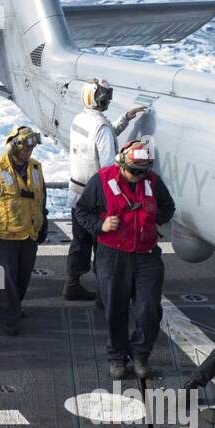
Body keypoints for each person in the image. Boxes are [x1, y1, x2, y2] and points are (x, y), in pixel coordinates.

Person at [71, 138, 175, 380]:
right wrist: (101, 225)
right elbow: (81, 210)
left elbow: (169, 207)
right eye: (133, 171)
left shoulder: (153, 182)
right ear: (122, 163)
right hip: (113, 255)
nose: (136, 176)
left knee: (149, 308)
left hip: (146, 256)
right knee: (115, 309)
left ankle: (140, 353)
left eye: (141, 172)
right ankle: (117, 357)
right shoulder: (102, 180)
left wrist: (153, 217)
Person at [65, 79, 145, 300]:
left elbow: (102, 135)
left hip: (76, 191)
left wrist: (125, 119)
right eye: (105, 96)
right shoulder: (102, 128)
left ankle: (72, 284)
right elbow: (111, 167)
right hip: (96, 199)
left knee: (79, 241)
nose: (107, 99)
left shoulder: (79, 119)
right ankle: (104, 294)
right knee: (103, 246)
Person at [0, 126, 48, 336]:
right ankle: (6, 314)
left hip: (29, 233)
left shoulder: (36, 168)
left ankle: (14, 305)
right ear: (14, 147)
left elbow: (41, 197)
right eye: (26, 148)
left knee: (22, 276)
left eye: (32, 148)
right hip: (4, 234)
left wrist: (43, 223)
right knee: (0, 277)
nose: (29, 153)